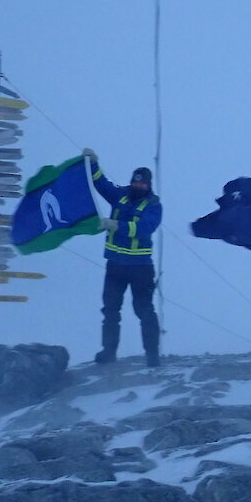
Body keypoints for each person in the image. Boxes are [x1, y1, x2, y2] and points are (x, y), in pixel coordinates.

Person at [82, 148, 162, 368]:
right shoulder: (121, 195)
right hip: (115, 266)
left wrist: (117, 225)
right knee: (110, 310)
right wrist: (92, 164)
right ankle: (108, 353)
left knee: (144, 311)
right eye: (136, 183)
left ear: (148, 185)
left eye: (142, 184)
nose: (138, 186)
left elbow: (145, 227)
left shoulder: (154, 205)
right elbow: (101, 185)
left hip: (141, 268)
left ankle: (152, 356)